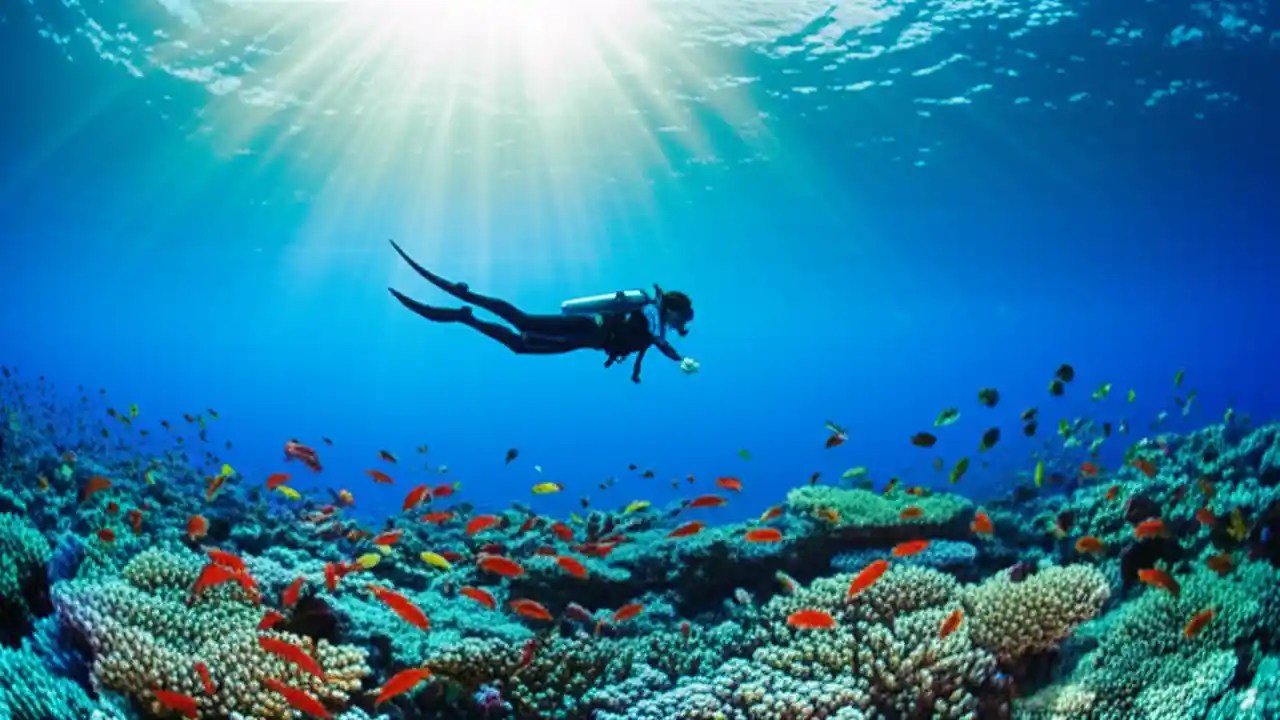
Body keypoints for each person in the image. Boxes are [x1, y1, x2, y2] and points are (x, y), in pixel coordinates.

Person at [387, 240, 699, 383]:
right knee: (524, 321)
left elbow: (647, 344)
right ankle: (464, 294)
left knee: (521, 345)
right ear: (672, 308)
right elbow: (659, 340)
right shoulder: (650, 310)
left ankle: (464, 316)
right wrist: (679, 359)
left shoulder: (655, 326)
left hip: (585, 341)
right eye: (680, 317)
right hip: (588, 328)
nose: (677, 324)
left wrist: (637, 372)